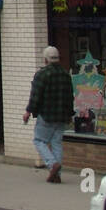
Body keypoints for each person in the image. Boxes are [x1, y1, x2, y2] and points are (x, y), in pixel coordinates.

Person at [24, 46, 75, 183]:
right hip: (62, 116)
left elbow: (36, 96)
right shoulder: (65, 75)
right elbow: (70, 96)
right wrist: (70, 114)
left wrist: (28, 111)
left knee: (39, 140)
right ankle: (56, 174)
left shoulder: (42, 74)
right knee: (56, 143)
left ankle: (53, 164)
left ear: (45, 59)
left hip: (46, 115)